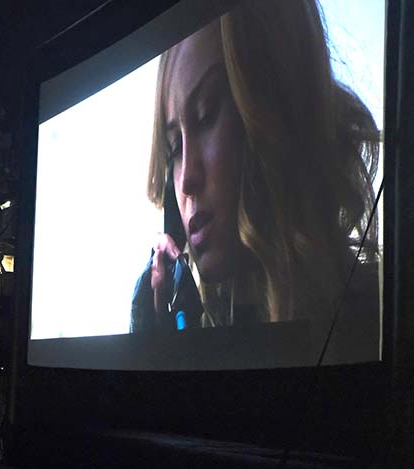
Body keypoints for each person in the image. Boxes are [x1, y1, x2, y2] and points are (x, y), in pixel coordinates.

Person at [130, 0, 380, 335]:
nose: (187, 179)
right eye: (174, 147)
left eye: (206, 115)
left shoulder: (382, 318)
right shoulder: (197, 330)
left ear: (277, 105)